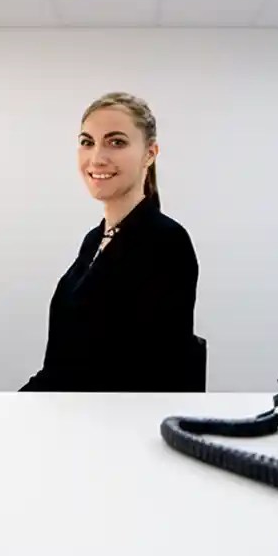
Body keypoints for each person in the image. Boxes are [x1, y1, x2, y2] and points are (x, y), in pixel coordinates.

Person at [21, 92, 201, 392]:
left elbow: (140, 372)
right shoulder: (94, 240)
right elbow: (61, 364)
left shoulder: (166, 242)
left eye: (116, 142)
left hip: (116, 424)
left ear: (150, 154)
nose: (97, 158)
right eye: (87, 142)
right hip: (69, 411)